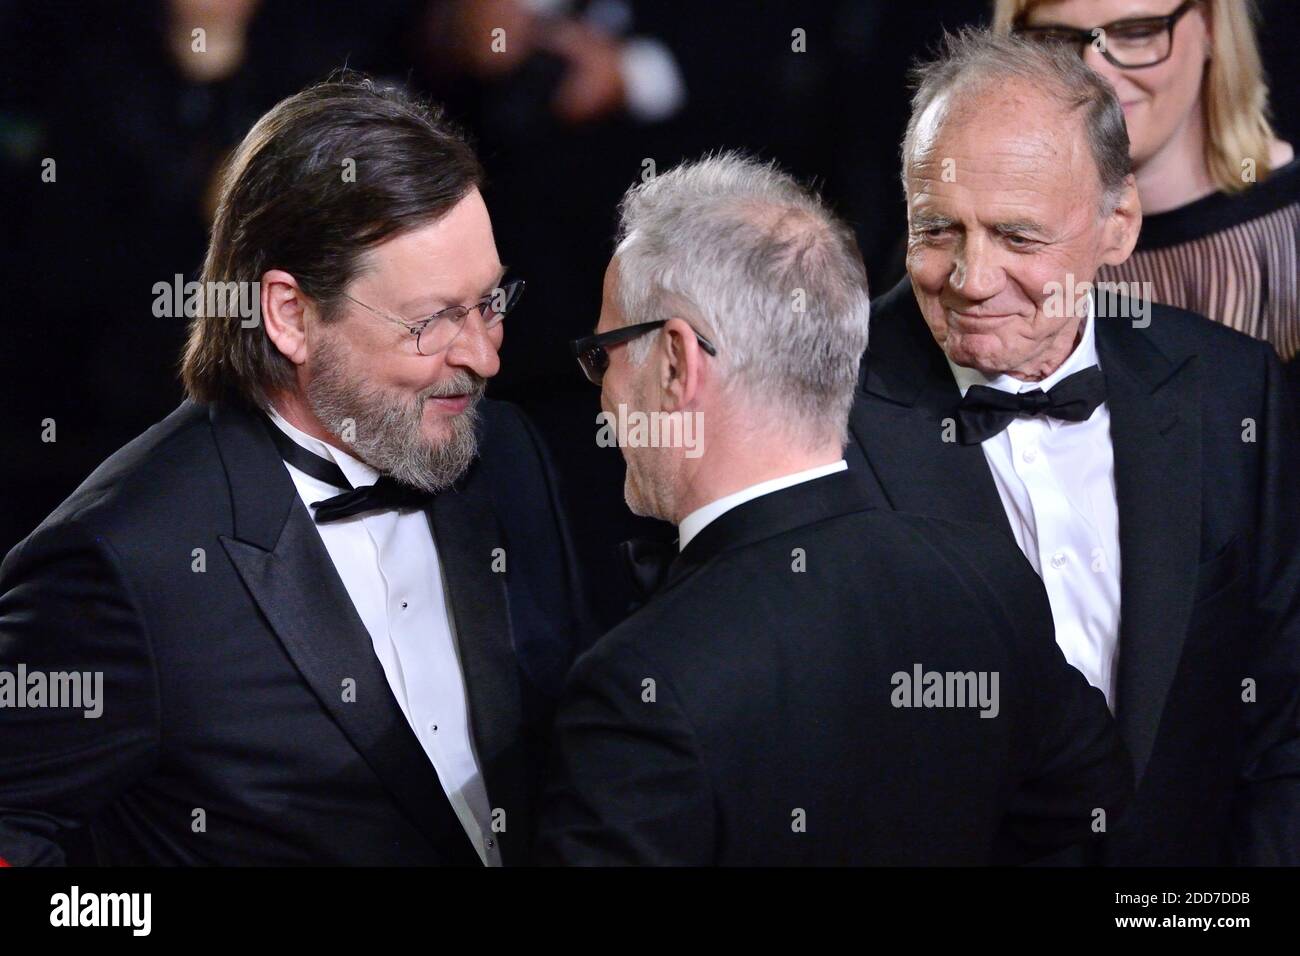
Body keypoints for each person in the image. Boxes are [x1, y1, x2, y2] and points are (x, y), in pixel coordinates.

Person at [0, 78, 588, 866]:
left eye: (489, 303)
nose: (484, 357)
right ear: (289, 315)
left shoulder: (505, 452)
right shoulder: (124, 562)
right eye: (433, 320)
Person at [536, 153, 1132, 866]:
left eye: (605, 355)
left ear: (675, 363)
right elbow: (1100, 830)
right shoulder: (987, 578)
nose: (603, 394)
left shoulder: (637, 689)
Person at [849, 29, 1300, 864]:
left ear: (1117, 224)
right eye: (940, 230)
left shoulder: (1230, 391)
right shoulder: (819, 407)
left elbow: (1284, 722)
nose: (973, 279)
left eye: (1019, 239)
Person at [995, 0, 1299, 366]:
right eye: (1054, 38)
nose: (1097, 71)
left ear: (1210, 26)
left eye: (1136, 33)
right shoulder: (963, 238)